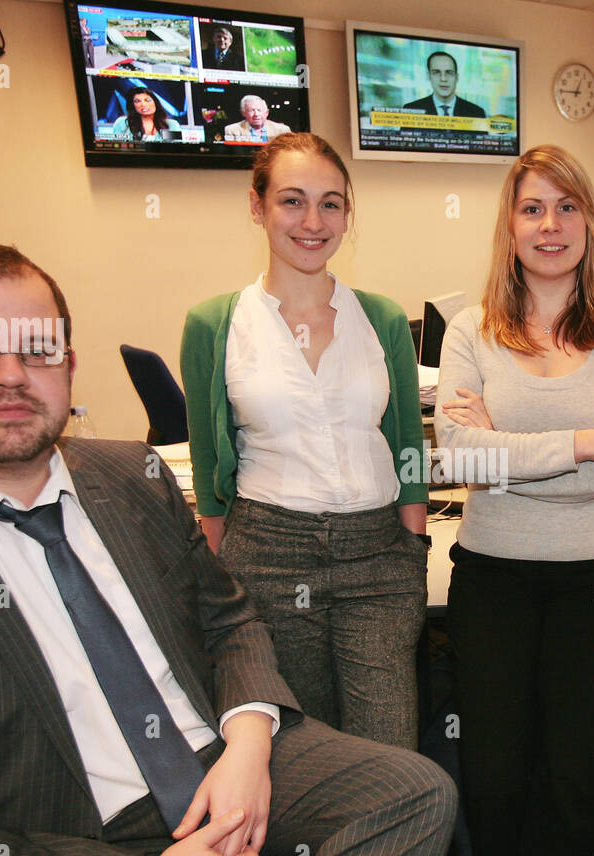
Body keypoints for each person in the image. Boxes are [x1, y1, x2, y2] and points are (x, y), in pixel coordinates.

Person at [0, 242, 456, 856]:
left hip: (217, 758)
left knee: (416, 794)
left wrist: (246, 741)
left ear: (70, 365)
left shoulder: (132, 475)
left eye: (39, 348)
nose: (12, 376)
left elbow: (229, 616)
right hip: (77, 838)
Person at [434, 144, 594, 856]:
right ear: (510, 224)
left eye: (568, 206)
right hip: (493, 580)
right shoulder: (470, 330)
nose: (550, 224)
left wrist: (514, 453)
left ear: (590, 222)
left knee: (571, 779)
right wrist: (587, 442)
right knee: (494, 778)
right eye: (532, 207)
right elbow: (459, 457)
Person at [180, 133, 428, 752]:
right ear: (258, 208)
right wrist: (216, 581)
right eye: (292, 201)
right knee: (302, 752)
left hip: (378, 556)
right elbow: (211, 464)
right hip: (267, 553)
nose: (312, 222)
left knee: (392, 756)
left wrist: (415, 546)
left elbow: (407, 448)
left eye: (331, 204)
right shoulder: (214, 324)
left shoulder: (384, 319)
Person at [403, 52, 487, 119]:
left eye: (449, 73)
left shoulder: (476, 113)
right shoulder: (411, 110)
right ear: (429, 77)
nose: (443, 79)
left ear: (457, 77)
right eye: (436, 72)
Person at [110, 87, 180, 141]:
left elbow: (176, 148)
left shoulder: (171, 125)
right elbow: (117, 147)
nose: (143, 104)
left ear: (155, 102)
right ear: (133, 105)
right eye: (137, 101)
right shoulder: (122, 123)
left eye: (148, 100)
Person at [223, 95, 291, 143]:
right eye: (252, 110)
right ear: (243, 113)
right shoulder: (231, 130)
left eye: (259, 110)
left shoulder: (283, 130)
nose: (256, 114)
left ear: (266, 113)